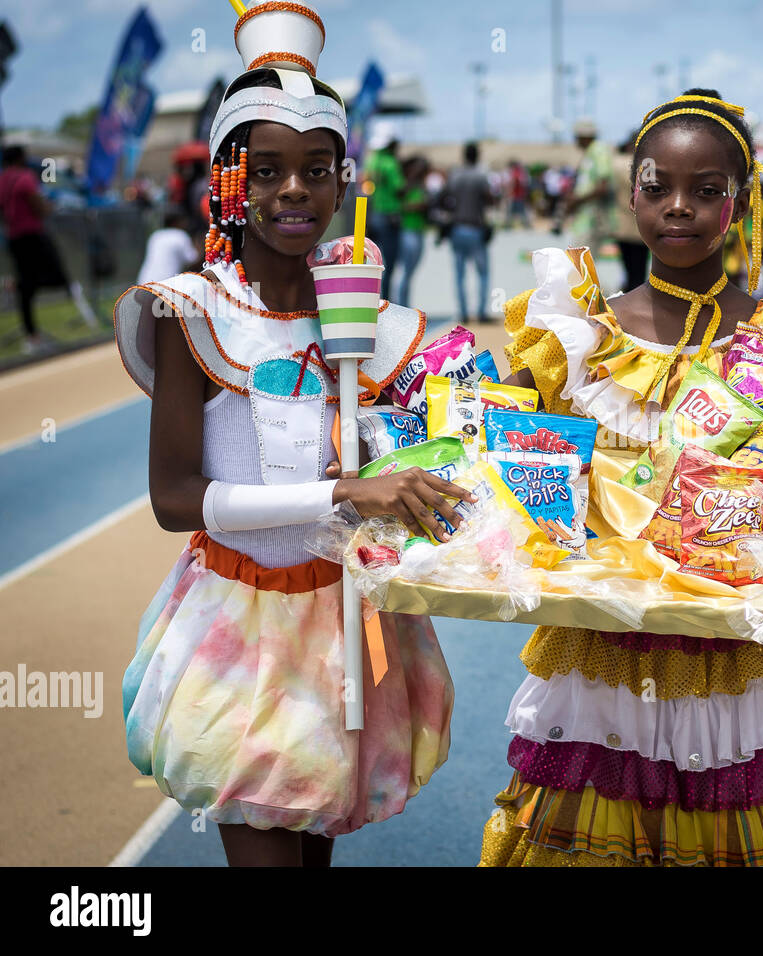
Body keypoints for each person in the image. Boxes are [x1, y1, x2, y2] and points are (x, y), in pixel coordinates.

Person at [481, 89, 763, 868]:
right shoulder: (572, 339)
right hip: (606, 651)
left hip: (749, 659)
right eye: (658, 186)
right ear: (629, 192)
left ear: (739, 206)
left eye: (708, 191)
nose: (679, 208)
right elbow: (516, 472)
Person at [111, 14, 464, 866]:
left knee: (312, 855)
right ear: (229, 185)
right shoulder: (191, 313)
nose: (293, 192)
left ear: (345, 182)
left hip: (346, 624)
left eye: (315, 170)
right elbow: (173, 500)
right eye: (265, 172)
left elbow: (413, 468)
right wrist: (342, 494)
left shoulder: (377, 326)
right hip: (244, 631)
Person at [0, 144, 99, 352]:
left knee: (28, 287)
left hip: (15, 237)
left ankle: (31, 334)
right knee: (58, 276)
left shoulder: (3, 180)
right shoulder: (24, 177)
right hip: (32, 236)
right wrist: (50, 206)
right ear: (20, 158)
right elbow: (39, 206)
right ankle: (21, 286)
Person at [439, 140, 495, 323]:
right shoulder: (480, 176)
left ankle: (463, 312)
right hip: (475, 228)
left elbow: (443, 197)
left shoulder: (455, 175)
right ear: (477, 155)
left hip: (457, 228)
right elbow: (489, 199)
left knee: (459, 273)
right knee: (483, 273)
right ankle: (480, 312)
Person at [362, 121, 405, 301]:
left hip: (373, 215)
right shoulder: (390, 163)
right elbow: (399, 188)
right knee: (390, 262)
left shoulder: (371, 160)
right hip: (390, 216)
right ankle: (386, 301)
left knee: (375, 262)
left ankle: (373, 299)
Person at [565, 117, 617, 251]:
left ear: (584, 136)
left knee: (582, 265)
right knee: (578, 264)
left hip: (592, 219)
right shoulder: (590, 153)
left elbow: (602, 187)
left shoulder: (598, 150)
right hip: (583, 219)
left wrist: (577, 201)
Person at [612, 136, 648, 292]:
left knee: (627, 265)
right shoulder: (646, 165)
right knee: (639, 268)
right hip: (641, 224)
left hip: (621, 221)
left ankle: (628, 292)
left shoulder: (616, 163)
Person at [396, 155, 430, 307]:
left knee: (409, 273)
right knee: (405, 272)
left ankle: (404, 305)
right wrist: (418, 205)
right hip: (408, 231)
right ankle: (402, 305)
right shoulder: (406, 186)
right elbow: (401, 206)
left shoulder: (420, 186)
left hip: (417, 231)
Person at [136, 206, 200, 284]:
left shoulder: (156, 235)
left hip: (144, 281)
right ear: (176, 222)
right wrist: (199, 245)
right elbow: (193, 259)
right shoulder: (180, 235)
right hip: (166, 285)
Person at [505, 159, 531, 228]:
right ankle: (526, 224)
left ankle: (508, 225)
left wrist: (509, 192)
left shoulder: (515, 173)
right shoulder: (521, 173)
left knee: (512, 211)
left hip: (516, 195)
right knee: (521, 211)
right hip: (519, 195)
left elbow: (513, 183)